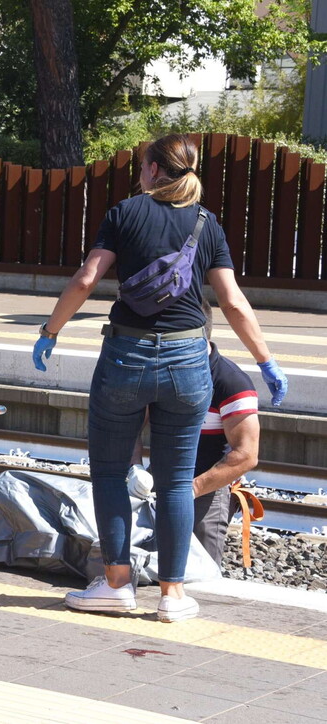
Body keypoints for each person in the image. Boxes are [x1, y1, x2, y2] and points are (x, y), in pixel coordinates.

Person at [31, 133, 286, 623]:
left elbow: (86, 279)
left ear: (152, 169)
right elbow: (232, 301)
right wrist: (265, 360)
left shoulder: (124, 213)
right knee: (175, 481)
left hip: (125, 357)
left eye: (142, 165)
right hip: (189, 361)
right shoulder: (207, 223)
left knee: (110, 473)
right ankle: (172, 595)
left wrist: (50, 331)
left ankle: (116, 585)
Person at [128, 299, 260, 567]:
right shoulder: (159, 369)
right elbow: (130, 424)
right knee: (143, 561)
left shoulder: (231, 383)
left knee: (201, 570)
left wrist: (192, 489)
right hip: (157, 479)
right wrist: (135, 466)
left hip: (207, 487)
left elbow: (246, 455)